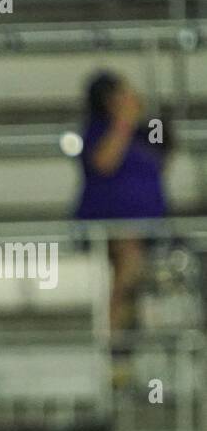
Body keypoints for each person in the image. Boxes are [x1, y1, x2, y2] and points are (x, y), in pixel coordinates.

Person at [74, 71, 169, 336]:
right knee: (127, 265)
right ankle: (115, 337)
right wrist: (123, 124)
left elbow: (162, 153)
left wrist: (147, 125)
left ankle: (131, 329)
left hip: (149, 226)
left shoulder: (147, 130)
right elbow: (104, 163)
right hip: (113, 226)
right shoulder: (97, 131)